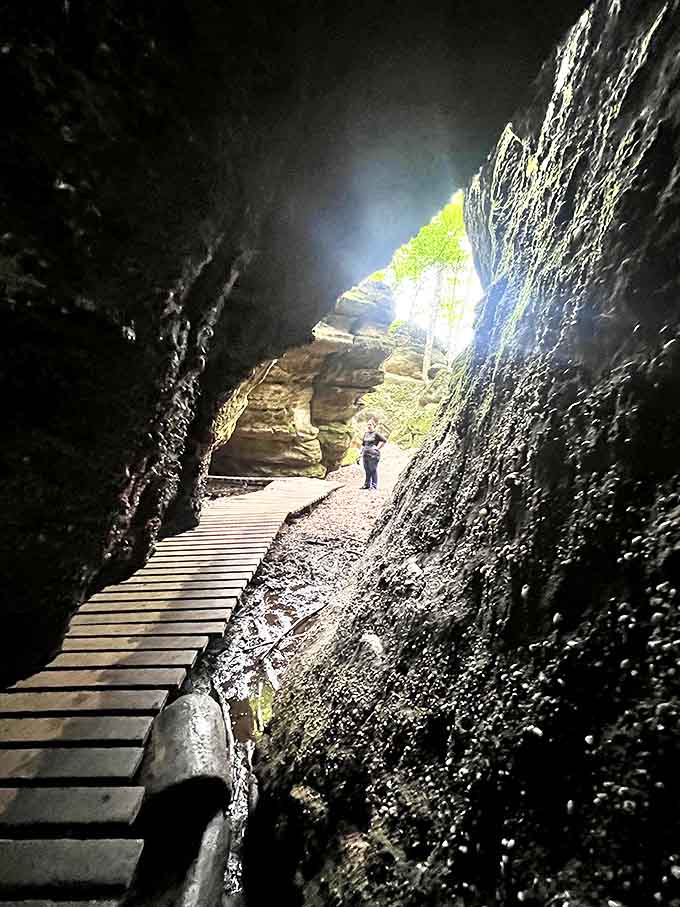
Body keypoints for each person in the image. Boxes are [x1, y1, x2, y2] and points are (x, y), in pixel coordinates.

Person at [360, 418, 387, 490]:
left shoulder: (376, 433)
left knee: (373, 469)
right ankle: (367, 485)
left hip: (374, 455)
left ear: (374, 425)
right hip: (365, 454)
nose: (369, 426)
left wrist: (377, 448)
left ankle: (374, 485)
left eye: (370, 424)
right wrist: (360, 453)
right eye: (368, 424)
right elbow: (363, 444)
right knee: (367, 470)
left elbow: (384, 440)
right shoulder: (366, 434)